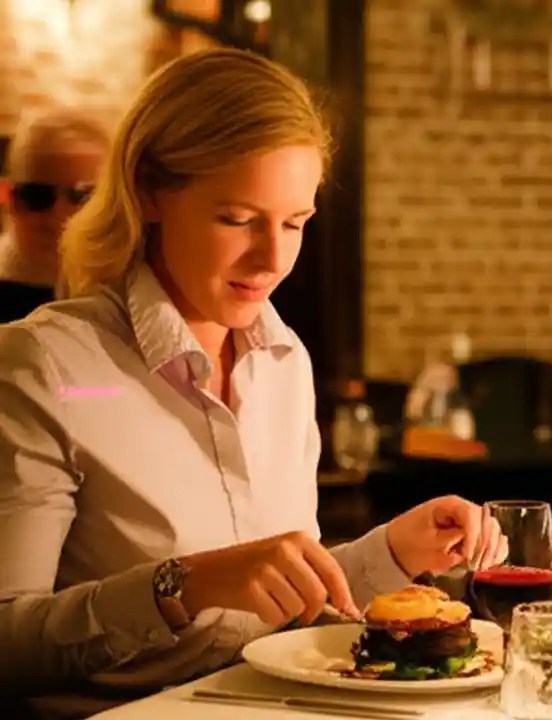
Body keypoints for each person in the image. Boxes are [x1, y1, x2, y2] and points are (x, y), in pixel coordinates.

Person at [0, 48, 506, 699]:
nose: (271, 258)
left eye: (295, 224)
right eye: (238, 220)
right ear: (150, 188)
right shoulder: (45, 364)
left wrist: (394, 552)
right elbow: (9, 643)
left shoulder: (282, 361)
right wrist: (180, 586)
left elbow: (285, 600)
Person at [0, 108, 109, 323]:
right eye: (37, 196)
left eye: (83, 197)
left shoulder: (134, 293)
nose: (60, 218)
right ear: (8, 198)